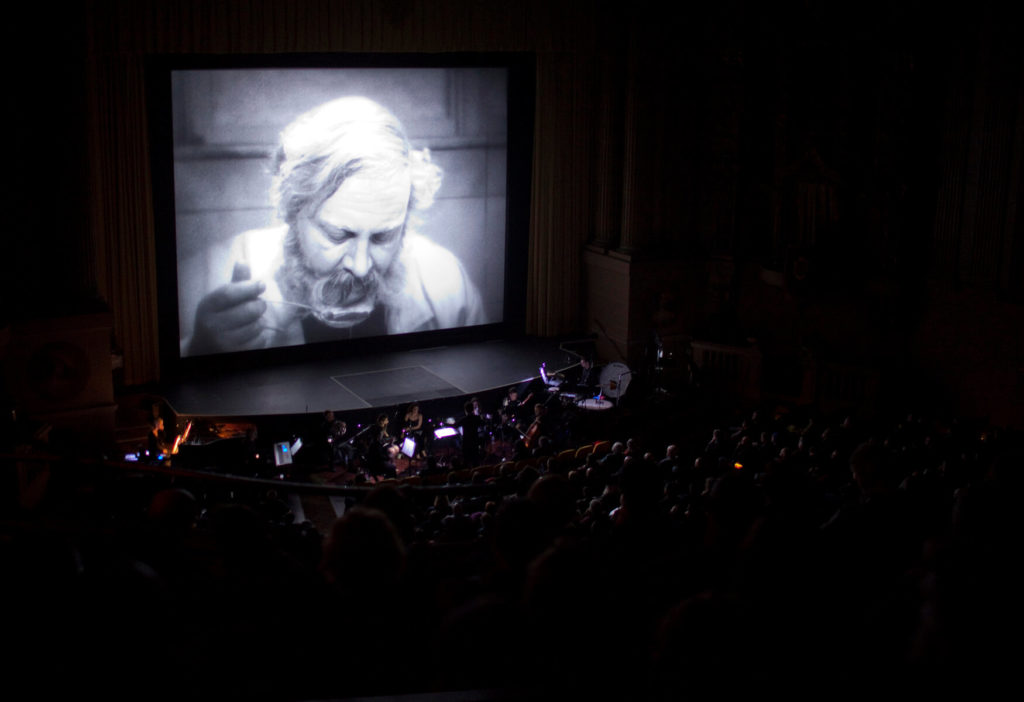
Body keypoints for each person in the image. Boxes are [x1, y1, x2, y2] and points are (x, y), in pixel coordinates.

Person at [186, 96, 487, 355]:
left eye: (382, 236)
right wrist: (200, 352)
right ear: (292, 211)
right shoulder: (211, 276)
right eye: (338, 234)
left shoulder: (446, 284)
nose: (361, 267)